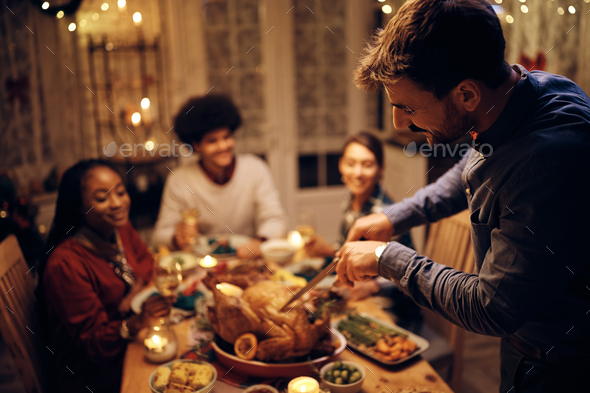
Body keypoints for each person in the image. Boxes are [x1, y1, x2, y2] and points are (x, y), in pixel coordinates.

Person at [334, 0, 590, 391]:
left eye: (407, 107)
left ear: (466, 95)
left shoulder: (548, 160)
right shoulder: (510, 100)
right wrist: (394, 217)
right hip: (527, 347)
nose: (399, 122)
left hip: (556, 368)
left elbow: (491, 306)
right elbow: (470, 171)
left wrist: (388, 257)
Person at [37, 160, 173, 393]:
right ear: (79, 206)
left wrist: (131, 295)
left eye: (120, 192)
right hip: (94, 375)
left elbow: (146, 260)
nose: (118, 203)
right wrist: (137, 321)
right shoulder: (65, 264)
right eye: (102, 198)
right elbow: (94, 344)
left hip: (125, 344)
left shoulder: (117, 228)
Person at [152, 94, 288, 258]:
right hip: (202, 263)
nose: (223, 146)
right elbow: (159, 234)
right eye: (212, 141)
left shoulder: (255, 168)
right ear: (196, 145)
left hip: (246, 259)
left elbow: (276, 218)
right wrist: (176, 237)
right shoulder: (179, 180)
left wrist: (260, 241)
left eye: (226, 137)